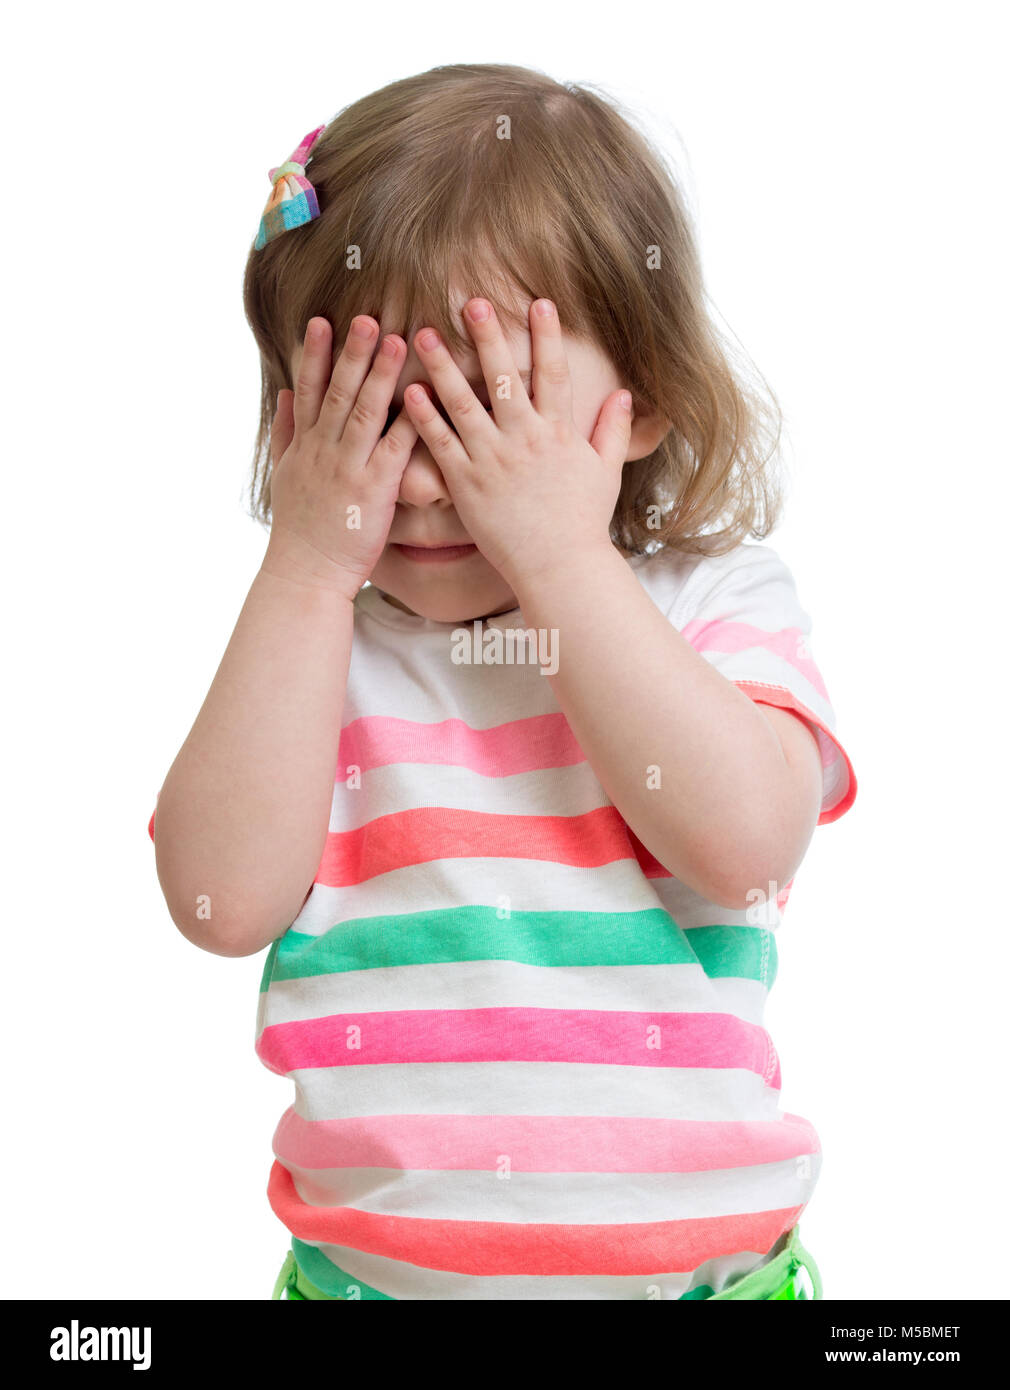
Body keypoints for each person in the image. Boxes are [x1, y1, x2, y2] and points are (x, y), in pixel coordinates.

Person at [148, 62, 857, 1301]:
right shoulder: (312, 651)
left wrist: (563, 560)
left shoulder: (704, 607)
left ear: (644, 402)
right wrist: (308, 569)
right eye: (370, 417)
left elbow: (744, 842)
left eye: (486, 408)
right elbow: (217, 904)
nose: (423, 481)